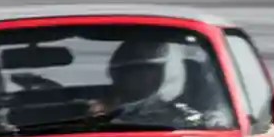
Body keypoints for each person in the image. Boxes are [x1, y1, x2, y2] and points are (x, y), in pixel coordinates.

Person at [94, 39, 232, 128]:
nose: (135, 75)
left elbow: (212, 125)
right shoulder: (95, 110)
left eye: (147, 69)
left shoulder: (186, 115)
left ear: (166, 72)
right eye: (129, 68)